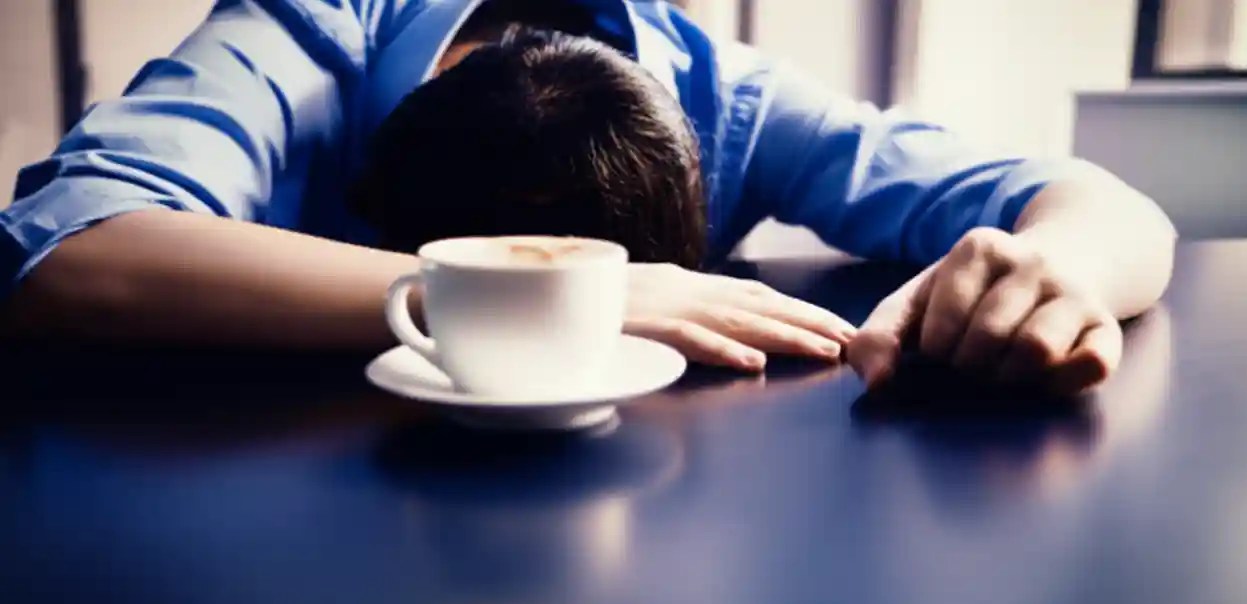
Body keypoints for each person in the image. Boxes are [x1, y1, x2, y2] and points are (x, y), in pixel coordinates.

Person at [0, 0, 1174, 395]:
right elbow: (61, 257)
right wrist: (538, 298)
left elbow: (1089, 199)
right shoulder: (303, 40)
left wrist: (1059, 270)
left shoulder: (721, 99)